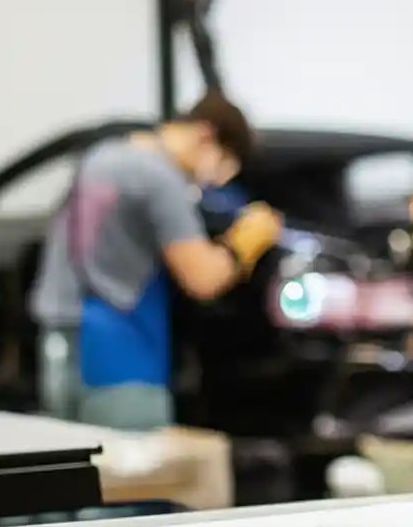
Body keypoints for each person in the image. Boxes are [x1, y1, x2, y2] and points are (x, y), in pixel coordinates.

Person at [30, 92, 282, 430]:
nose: (212, 181)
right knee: (134, 474)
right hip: (122, 359)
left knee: (72, 468)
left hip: (63, 342)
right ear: (206, 135)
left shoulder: (102, 158)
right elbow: (202, 279)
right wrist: (246, 240)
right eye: (221, 166)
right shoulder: (161, 179)